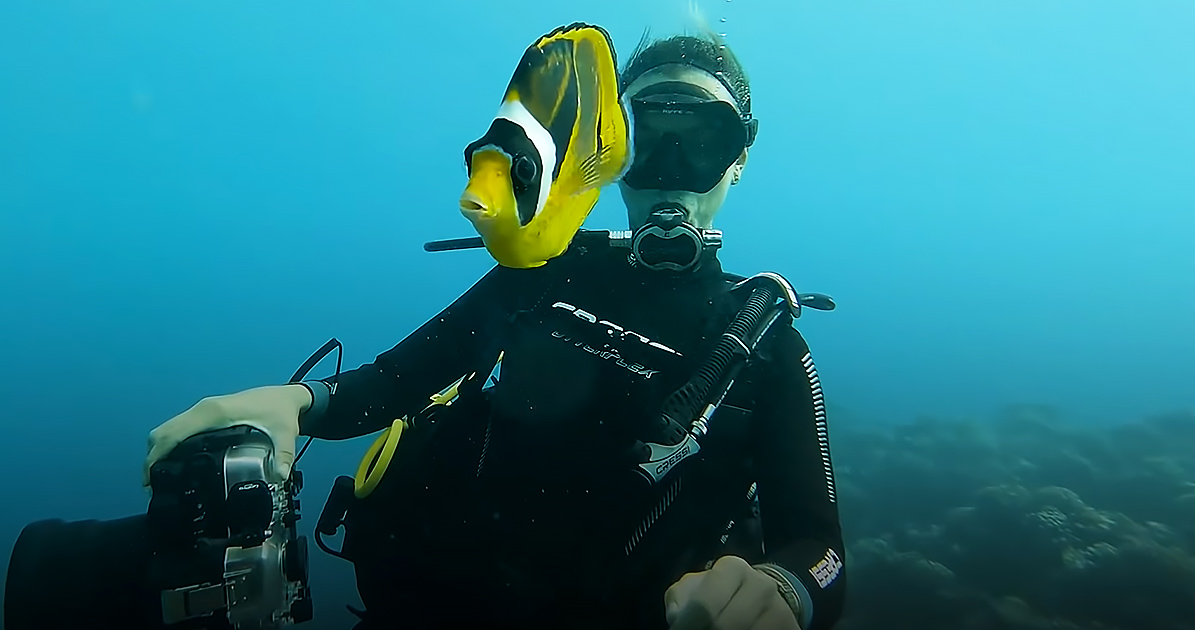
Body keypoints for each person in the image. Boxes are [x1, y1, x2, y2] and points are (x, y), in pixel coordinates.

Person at [145, 32, 846, 630]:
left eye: (702, 142)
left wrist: (784, 589)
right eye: (649, 141)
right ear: (610, 152)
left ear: (739, 159)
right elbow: (392, 382)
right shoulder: (542, 274)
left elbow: (819, 547)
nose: (671, 173)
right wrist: (295, 403)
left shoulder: (765, 342)